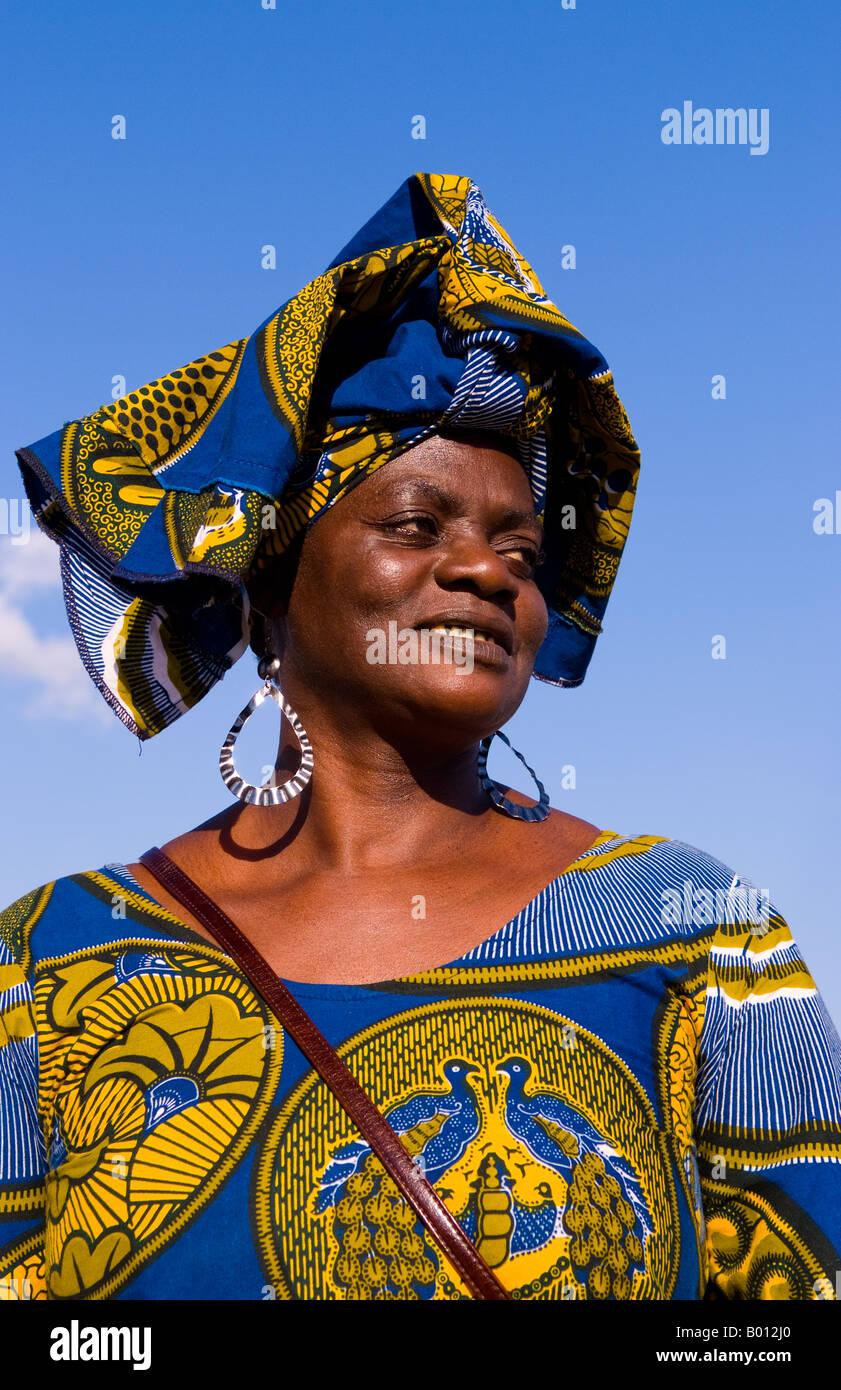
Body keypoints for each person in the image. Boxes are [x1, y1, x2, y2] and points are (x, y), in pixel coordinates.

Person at [1, 173, 839, 1303]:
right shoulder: (46, 965)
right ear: (270, 583)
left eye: (521, 552)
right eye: (413, 523)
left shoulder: (700, 934)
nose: (487, 570)